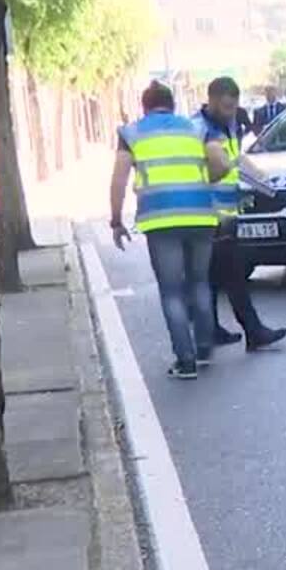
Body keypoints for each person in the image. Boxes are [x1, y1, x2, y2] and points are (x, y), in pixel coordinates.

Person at [109, 82, 222, 379]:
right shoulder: (197, 128)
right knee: (200, 283)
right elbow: (219, 161)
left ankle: (185, 362)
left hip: (161, 218)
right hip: (200, 214)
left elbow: (119, 178)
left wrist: (116, 220)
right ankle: (205, 347)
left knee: (171, 291)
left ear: (144, 106)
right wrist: (204, 182)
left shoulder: (132, 133)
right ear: (172, 105)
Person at [192, 76, 286, 351]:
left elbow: (237, 157)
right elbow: (220, 166)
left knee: (212, 276)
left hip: (225, 213)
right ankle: (253, 331)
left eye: (233, 107)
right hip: (207, 212)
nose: (230, 112)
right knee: (232, 275)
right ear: (210, 100)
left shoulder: (227, 124)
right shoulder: (199, 127)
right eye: (225, 107)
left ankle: (211, 330)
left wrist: (264, 179)